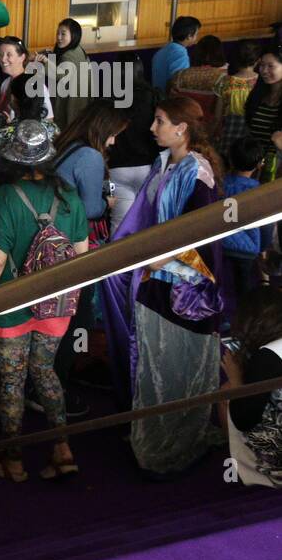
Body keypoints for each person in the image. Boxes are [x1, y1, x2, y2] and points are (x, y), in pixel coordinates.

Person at [99, 95, 226, 479]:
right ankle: (152, 430)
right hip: (154, 280)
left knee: (178, 366)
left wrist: (162, 257)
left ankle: (179, 440)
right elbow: (141, 217)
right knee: (154, 364)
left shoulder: (198, 173)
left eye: (159, 121)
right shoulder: (162, 162)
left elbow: (207, 232)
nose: (152, 129)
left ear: (181, 128)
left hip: (185, 289)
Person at [0, 120, 89, 482]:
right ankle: (63, 449)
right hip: (55, 305)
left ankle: (14, 460)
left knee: (12, 382)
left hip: (12, 304)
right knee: (45, 370)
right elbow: (83, 255)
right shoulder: (70, 195)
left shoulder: (7, 196)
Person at [49, 102, 130, 417]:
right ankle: (64, 379)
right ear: (103, 128)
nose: (113, 142)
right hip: (77, 243)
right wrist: (108, 202)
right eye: (113, 135)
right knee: (80, 314)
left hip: (54, 240)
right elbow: (89, 208)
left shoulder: (69, 146)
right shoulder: (91, 156)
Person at [221, 287, 282, 488]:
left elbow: (245, 420)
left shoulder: (266, 357)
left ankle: (243, 468)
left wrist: (236, 378)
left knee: (225, 392)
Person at [105, 58, 162, 226]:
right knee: (148, 221)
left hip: (115, 170)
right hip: (147, 168)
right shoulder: (152, 96)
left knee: (119, 223)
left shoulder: (109, 97)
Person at [221, 136, 266, 300]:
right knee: (243, 286)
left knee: (218, 281)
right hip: (247, 248)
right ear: (259, 163)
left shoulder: (221, 183)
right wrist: (263, 248)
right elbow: (264, 224)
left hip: (220, 241)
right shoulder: (257, 192)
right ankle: (244, 315)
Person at [33, 18, 91, 128]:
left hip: (70, 105)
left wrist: (45, 61)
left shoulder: (69, 55)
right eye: (58, 33)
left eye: (63, 34)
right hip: (81, 103)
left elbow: (59, 74)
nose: (59, 37)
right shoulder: (77, 49)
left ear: (73, 35)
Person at [0, 37, 52, 125]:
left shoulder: (34, 85)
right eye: (1, 54)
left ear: (22, 57)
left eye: (9, 55)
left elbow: (49, 120)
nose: (3, 59)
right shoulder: (5, 83)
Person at [167, 34, 228, 125]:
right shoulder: (223, 78)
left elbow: (171, 104)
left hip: (182, 125)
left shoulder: (179, 75)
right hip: (208, 127)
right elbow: (220, 113)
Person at [217, 40, 261, 161]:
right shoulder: (261, 82)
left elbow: (218, 113)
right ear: (257, 61)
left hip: (228, 133)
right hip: (252, 133)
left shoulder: (225, 81)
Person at [243, 51, 282, 161]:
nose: (264, 70)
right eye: (262, 65)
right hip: (253, 163)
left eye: (270, 66)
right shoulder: (257, 95)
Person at [151, 15, 201, 90]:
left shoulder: (161, 51)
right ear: (189, 36)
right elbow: (179, 84)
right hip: (170, 99)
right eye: (196, 34)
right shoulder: (180, 55)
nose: (197, 37)